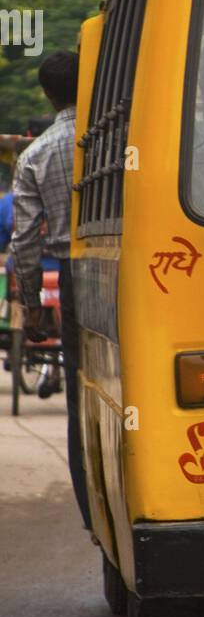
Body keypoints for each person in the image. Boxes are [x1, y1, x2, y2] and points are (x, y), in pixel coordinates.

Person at [10, 51, 89, 528]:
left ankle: (91, 510)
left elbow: (23, 242)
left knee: (84, 401)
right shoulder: (122, 135)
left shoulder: (35, 155)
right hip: (142, 268)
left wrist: (33, 305)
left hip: (76, 274)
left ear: (47, 93)